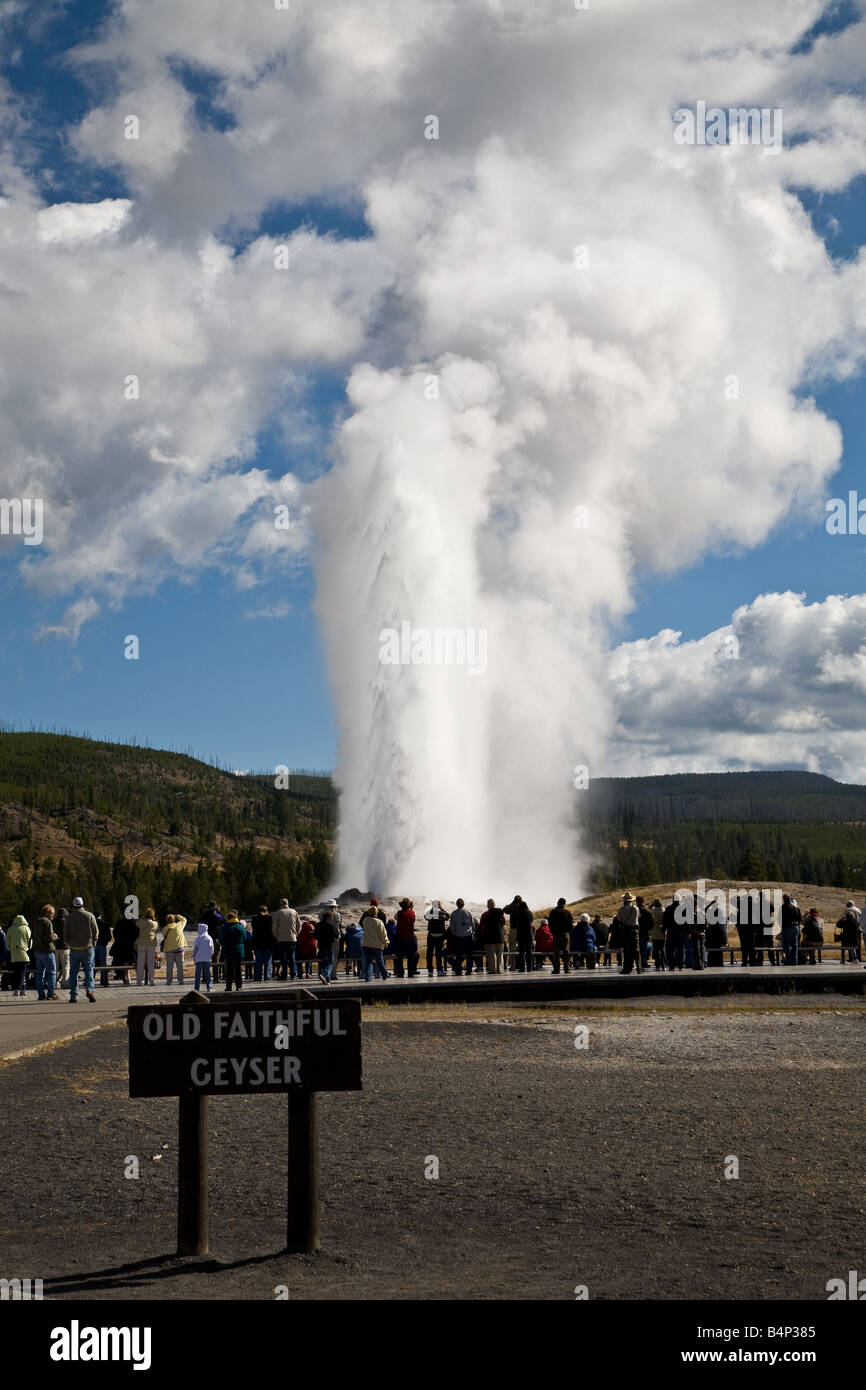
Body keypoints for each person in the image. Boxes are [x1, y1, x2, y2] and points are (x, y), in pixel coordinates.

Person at [66, 896, 99, 1002]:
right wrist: (93, 943)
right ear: (82, 904)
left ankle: (73, 995)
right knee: (89, 970)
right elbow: (95, 931)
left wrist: (68, 942)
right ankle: (90, 990)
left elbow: (65, 933)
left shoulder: (69, 917)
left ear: (73, 905)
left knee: (73, 973)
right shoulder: (90, 915)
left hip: (74, 948)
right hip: (87, 947)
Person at [33, 905, 59, 1000]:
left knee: (39, 974)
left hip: (37, 951)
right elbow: (48, 938)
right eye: (51, 913)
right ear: (46, 912)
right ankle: (51, 993)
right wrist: (54, 937)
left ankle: (41, 994)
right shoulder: (47, 922)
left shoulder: (36, 921)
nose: (52, 915)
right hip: (47, 951)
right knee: (52, 972)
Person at [272, 899, 302, 980]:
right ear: (288, 903)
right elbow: (299, 925)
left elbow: (274, 928)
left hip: (281, 938)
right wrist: (296, 934)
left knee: (283, 957)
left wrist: (276, 937)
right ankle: (293, 974)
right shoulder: (294, 912)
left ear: (281, 904)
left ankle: (284, 974)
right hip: (292, 938)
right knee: (292, 957)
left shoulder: (278, 913)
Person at [504, 895, 535, 973]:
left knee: (517, 950)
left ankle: (517, 967)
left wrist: (512, 904)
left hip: (518, 932)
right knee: (529, 950)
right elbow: (531, 920)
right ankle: (529, 968)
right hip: (528, 933)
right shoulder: (529, 913)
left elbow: (505, 909)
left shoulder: (516, 912)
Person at [614, 891, 642, 975]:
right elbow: (638, 917)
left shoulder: (621, 910)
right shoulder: (636, 908)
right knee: (636, 950)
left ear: (624, 900)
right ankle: (639, 968)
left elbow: (619, 920)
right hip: (635, 931)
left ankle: (627, 968)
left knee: (627, 951)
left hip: (626, 931)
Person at [220, 911, 247, 991]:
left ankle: (229, 986)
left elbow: (221, 939)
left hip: (228, 951)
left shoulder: (225, 927)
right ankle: (239, 986)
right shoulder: (240, 927)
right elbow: (245, 938)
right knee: (238, 969)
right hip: (239, 951)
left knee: (229, 970)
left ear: (228, 918)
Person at [393, 898, 419, 979]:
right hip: (410, 937)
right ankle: (411, 972)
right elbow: (413, 919)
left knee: (399, 956)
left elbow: (395, 918)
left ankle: (400, 972)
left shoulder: (399, 913)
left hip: (400, 937)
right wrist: (411, 909)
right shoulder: (412, 913)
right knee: (411, 956)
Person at [361, 908, 389, 981]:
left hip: (366, 944)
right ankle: (385, 975)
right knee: (380, 961)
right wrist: (386, 941)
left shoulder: (365, 920)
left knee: (369, 961)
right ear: (376, 913)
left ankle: (368, 978)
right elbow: (383, 933)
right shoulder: (379, 922)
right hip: (376, 945)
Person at [7, 914, 32, 995]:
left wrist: (10, 949)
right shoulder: (26, 929)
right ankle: (17, 989)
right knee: (22, 971)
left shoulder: (10, 929)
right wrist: (29, 948)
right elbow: (30, 941)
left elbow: (7, 941)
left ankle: (22, 990)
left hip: (14, 953)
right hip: (24, 952)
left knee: (17, 971)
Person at [480, 899, 506, 974]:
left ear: (488, 905)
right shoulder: (501, 913)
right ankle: (500, 970)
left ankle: (493, 970)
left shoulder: (485, 914)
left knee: (491, 954)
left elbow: (482, 927)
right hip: (500, 937)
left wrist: (482, 936)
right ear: (494, 904)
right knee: (499, 954)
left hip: (489, 938)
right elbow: (503, 923)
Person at [449, 899, 474, 975]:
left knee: (459, 954)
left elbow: (452, 926)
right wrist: (472, 933)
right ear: (463, 904)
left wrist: (455, 933)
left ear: (457, 904)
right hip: (468, 935)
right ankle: (469, 969)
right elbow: (472, 924)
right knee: (469, 954)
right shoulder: (468, 912)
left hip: (458, 936)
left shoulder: (454, 913)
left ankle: (458, 970)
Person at [548, 897, 574, 974]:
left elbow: (550, 924)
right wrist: (568, 932)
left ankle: (556, 969)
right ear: (564, 904)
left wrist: (553, 932)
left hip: (556, 934)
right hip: (565, 934)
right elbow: (570, 925)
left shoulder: (553, 912)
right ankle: (567, 969)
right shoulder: (567, 912)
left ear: (557, 903)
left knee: (556, 952)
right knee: (566, 952)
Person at [110, 911, 137, 985]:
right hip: (131, 945)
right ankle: (139, 978)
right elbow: (137, 933)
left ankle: (127, 978)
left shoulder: (119, 922)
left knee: (126, 962)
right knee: (136, 960)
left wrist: (118, 941)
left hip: (122, 945)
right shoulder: (133, 923)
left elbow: (115, 933)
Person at [135, 908, 160, 986]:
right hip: (151, 943)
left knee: (140, 963)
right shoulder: (155, 923)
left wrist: (143, 917)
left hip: (141, 943)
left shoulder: (140, 922)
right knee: (151, 963)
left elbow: (136, 923)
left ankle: (139, 981)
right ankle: (151, 981)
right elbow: (156, 929)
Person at [423, 900, 449, 976]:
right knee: (439, 953)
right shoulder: (442, 913)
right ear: (439, 905)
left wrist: (432, 909)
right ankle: (439, 970)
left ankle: (430, 970)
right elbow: (447, 917)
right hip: (440, 935)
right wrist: (442, 909)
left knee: (429, 953)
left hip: (431, 935)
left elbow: (425, 917)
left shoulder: (430, 913)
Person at [251, 904, 276, 981]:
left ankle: (257, 976)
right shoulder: (270, 918)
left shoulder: (254, 919)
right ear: (266, 910)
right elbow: (273, 930)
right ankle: (267, 976)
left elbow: (253, 928)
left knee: (258, 961)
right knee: (267, 961)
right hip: (268, 943)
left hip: (257, 943)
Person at [162, 914, 188, 985]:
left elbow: (164, 936)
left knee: (169, 967)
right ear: (174, 919)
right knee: (180, 967)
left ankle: (169, 981)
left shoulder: (164, 929)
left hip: (169, 950)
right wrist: (178, 916)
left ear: (166, 920)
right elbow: (184, 920)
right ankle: (181, 981)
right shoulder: (179, 925)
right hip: (179, 949)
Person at [663, 894, 686, 971]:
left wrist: (663, 931)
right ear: (679, 900)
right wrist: (688, 932)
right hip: (681, 932)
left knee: (670, 950)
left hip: (671, 932)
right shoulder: (683, 909)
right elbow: (686, 922)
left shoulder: (668, 909)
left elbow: (664, 922)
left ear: (673, 900)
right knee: (681, 949)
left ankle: (671, 966)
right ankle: (681, 966)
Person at [780, 892, 802, 966]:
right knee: (795, 945)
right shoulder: (796, 907)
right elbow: (800, 918)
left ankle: (788, 960)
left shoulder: (783, 907)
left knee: (786, 944)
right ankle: (795, 960)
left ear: (784, 899)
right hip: (795, 926)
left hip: (787, 927)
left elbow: (779, 918)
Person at [193, 922, 215, 993]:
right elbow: (212, 949)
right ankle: (209, 987)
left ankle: (196, 988)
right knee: (207, 973)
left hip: (199, 959)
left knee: (198, 974)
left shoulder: (198, 938)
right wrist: (210, 956)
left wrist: (194, 956)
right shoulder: (209, 938)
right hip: (207, 958)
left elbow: (195, 949)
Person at [94, 912, 113, 988]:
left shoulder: (91, 924)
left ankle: (90, 980)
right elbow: (109, 936)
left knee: (93, 963)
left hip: (94, 946)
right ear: (100, 916)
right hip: (102, 946)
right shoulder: (105, 925)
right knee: (103, 964)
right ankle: (104, 980)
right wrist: (105, 942)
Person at [636, 895, 654, 971]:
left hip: (635, 933)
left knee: (636, 949)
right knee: (643, 949)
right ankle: (643, 963)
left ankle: (637, 963)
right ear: (643, 901)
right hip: (644, 933)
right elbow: (652, 924)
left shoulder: (634, 909)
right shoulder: (648, 911)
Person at [54, 906, 69, 989]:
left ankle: (54, 982)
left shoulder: (54, 922)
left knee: (55, 966)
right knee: (65, 966)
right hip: (65, 947)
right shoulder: (66, 922)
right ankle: (65, 983)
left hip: (56, 947)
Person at [650, 898, 665, 970]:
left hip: (655, 931)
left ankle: (657, 965)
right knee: (662, 949)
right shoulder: (664, 910)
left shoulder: (653, 911)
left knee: (655, 949)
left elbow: (648, 909)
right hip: (662, 931)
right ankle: (663, 965)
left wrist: (651, 904)